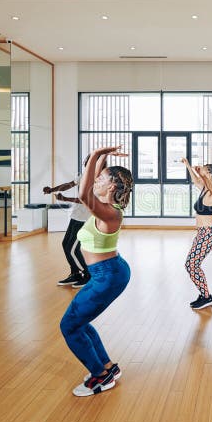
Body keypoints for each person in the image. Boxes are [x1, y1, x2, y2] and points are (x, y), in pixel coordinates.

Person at [59, 146, 134, 397]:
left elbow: (83, 193)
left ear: (111, 188)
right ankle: (108, 367)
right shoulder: (105, 204)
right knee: (80, 321)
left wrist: (96, 154)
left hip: (107, 276)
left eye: (101, 179)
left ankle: (100, 377)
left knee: (69, 326)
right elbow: (92, 181)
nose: (95, 181)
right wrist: (102, 158)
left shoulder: (108, 213)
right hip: (107, 272)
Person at [44, 155, 92, 288]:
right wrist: (52, 190)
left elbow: (86, 200)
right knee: (66, 244)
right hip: (76, 215)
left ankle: (88, 275)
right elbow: (69, 184)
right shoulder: (83, 176)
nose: (87, 162)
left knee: (73, 248)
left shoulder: (96, 180)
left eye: (91, 160)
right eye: (87, 160)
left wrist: (65, 199)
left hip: (85, 218)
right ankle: (75, 273)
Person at [181, 158, 212, 310]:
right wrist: (188, 166)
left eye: (204, 169)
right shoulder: (204, 188)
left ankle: (206, 296)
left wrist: (203, 174)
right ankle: (204, 294)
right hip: (202, 233)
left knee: (191, 265)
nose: (201, 170)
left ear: (210, 173)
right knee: (191, 265)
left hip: (209, 234)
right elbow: (195, 180)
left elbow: (211, 186)